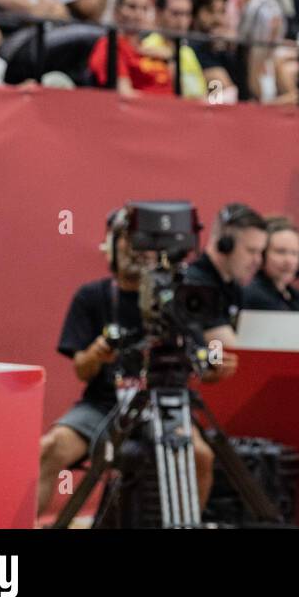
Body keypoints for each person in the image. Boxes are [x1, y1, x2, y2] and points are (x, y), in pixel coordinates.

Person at [37, 208, 233, 519]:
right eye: (127, 241)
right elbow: (80, 369)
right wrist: (96, 354)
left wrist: (216, 364)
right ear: (111, 245)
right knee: (49, 449)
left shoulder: (177, 298)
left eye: (141, 243)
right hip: (102, 405)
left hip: (166, 403)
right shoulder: (92, 296)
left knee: (200, 456)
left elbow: (202, 358)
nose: (137, 251)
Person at [183, 203, 267, 337]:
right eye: (251, 251)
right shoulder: (196, 285)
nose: (258, 260)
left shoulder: (232, 286)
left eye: (260, 252)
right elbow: (224, 348)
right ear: (225, 245)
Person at [241, 216, 299, 315]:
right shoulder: (250, 295)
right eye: (280, 252)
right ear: (262, 254)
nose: (289, 260)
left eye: (295, 253)